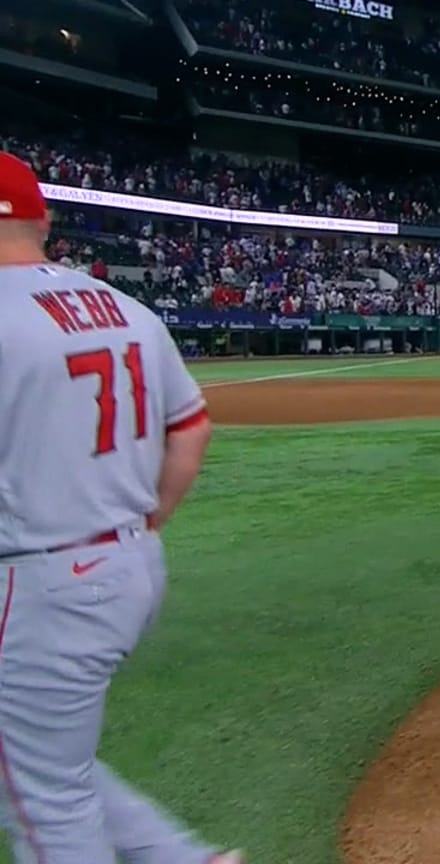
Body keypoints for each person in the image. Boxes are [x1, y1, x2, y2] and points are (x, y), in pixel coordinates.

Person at [0, 152, 241, 862]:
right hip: (130, 564)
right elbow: (191, 428)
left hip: (41, 585)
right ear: (44, 221)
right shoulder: (124, 307)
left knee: (46, 798)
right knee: (44, 758)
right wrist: (143, 524)